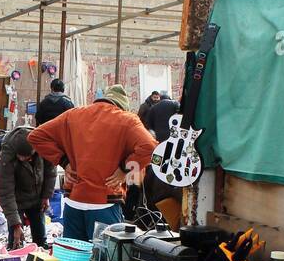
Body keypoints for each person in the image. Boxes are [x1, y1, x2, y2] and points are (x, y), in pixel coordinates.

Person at [27, 84, 158, 242]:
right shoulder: (127, 120)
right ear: (122, 105)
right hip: (105, 202)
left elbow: (35, 136)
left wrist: (65, 162)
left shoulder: (73, 115)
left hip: (73, 201)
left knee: (74, 260)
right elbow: (150, 147)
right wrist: (124, 169)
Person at [0, 126, 56, 249]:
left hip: (37, 198)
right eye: (20, 157)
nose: (22, 159)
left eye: (27, 157)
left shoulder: (43, 145)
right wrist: (16, 224)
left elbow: (51, 172)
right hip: (16, 201)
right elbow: (5, 191)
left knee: (41, 243)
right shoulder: (6, 155)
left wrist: (46, 196)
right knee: (15, 241)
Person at [141, 92, 184, 228]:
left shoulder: (152, 108)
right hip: (173, 142)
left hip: (158, 143)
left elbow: (147, 125)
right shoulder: (176, 106)